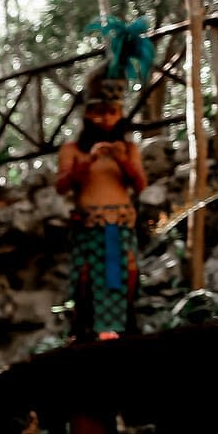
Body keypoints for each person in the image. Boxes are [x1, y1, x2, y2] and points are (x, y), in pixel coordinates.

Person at [55, 69, 148, 340]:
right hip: (89, 231)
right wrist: (89, 161)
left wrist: (122, 161)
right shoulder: (72, 150)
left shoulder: (129, 149)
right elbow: (62, 186)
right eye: (99, 112)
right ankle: (86, 339)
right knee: (87, 292)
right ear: (87, 114)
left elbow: (141, 185)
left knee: (122, 289)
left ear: (120, 114)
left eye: (112, 112)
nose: (105, 119)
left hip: (119, 231)